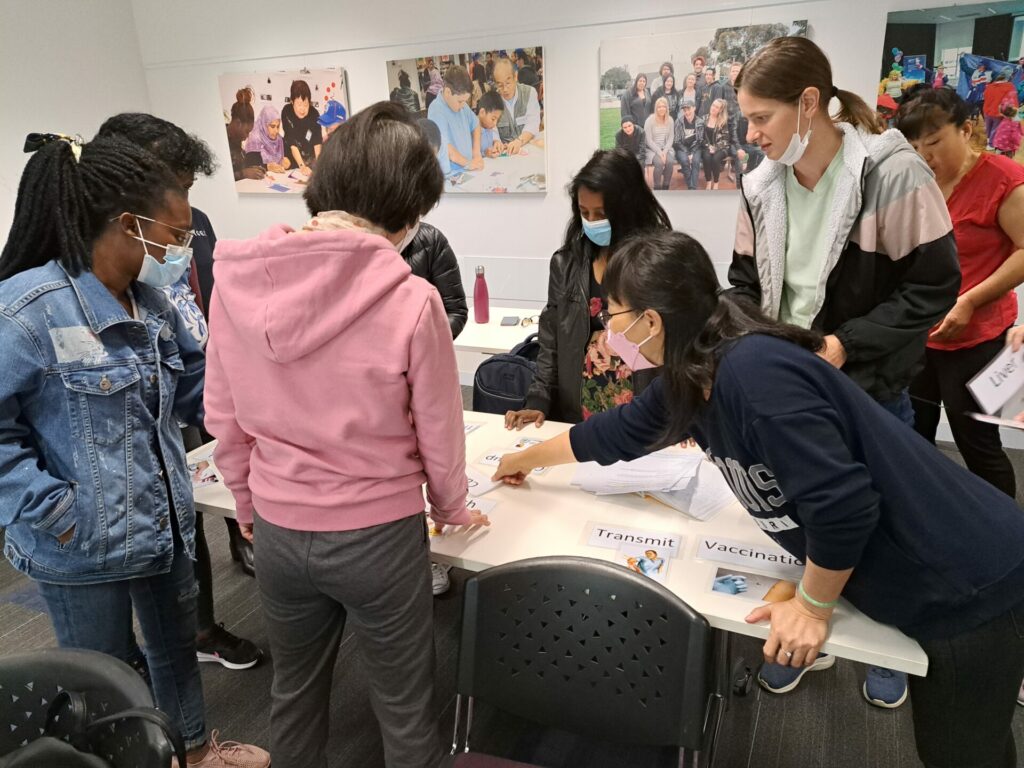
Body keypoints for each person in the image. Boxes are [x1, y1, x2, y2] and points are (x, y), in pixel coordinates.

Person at [492, 229, 1024, 768]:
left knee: (960, 751)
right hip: (932, 568)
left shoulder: (754, 374)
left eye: (614, 316)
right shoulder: (689, 370)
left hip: (968, 582)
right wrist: (522, 459)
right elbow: (617, 434)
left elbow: (844, 506)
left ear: (651, 321)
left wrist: (813, 607)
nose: (608, 331)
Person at [203, 102, 490, 768]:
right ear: (409, 209)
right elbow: (441, 434)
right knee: (405, 712)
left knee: (294, 696)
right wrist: (450, 510)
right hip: (379, 539)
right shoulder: (412, 300)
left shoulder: (234, 284)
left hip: (277, 528)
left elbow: (225, 416)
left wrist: (247, 506)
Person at [0, 134, 270, 768]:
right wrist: (54, 510)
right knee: (100, 676)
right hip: (77, 544)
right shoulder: (29, 312)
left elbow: (202, 391)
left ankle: (195, 751)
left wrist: (276, 420)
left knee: (176, 650)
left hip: (161, 524)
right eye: (174, 238)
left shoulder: (153, 304)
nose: (181, 251)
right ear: (128, 225)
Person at [730, 35, 960, 708]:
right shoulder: (760, 187)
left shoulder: (891, 172)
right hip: (792, 381)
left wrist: (845, 344)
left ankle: (891, 644)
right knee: (810, 514)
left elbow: (932, 287)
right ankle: (808, 630)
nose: (752, 135)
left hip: (867, 385)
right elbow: (742, 284)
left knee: (887, 522)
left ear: (809, 105)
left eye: (761, 118)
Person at [95, 113, 262, 668]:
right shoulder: (62, 277)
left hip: (191, 381)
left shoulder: (198, 226)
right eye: (175, 187)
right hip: (119, 423)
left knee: (187, 512)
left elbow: (211, 296)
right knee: (111, 635)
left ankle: (201, 625)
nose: (183, 208)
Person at [894, 87, 1024, 499]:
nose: (925, 155)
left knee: (978, 445)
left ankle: (1007, 539)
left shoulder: (1003, 179)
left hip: (980, 339)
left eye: (933, 142)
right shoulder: (916, 182)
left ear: (966, 129)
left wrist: (968, 301)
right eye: (915, 146)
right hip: (921, 334)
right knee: (912, 436)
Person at [504, 148, 670, 429]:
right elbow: (551, 341)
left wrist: (684, 412)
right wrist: (538, 400)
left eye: (601, 214)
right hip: (578, 409)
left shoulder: (659, 262)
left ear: (627, 209)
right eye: (584, 213)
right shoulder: (566, 263)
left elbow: (679, 344)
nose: (592, 222)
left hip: (646, 411)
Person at [427, 64, 483, 174]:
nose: (463, 105)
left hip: (469, 168)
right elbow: (445, 147)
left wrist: (476, 153)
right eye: (460, 101)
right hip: (451, 174)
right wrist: (468, 163)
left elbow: (476, 125)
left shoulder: (462, 106)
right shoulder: (436, 110)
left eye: (465, 101)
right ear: (448, 92)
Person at [493, 58, 542, 154]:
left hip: (528, 148)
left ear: (515, 76)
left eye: (507, 83)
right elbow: (492, 129)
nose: (505, 89)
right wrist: (496, 142)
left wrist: (519, 141)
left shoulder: (529, 93)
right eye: (500, 85)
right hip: (507, 154)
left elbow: (533, 123)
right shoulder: (493, 101)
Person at [280, 79, 323, 176]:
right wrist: (302, 166)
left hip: (310, 154)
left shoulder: (314, 114)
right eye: (299, 104)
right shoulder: (286, 112)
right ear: (292, 102)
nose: (302, 109)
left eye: (306, 105)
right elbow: (291, 142)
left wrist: (320, 165)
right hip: (294, 153)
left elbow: (317, 143)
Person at [225, 87, 265, 181]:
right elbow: (220, 178)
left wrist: (252, 169)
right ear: (238, 123)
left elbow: (237, 167)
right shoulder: (220, 140)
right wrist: (244, 173)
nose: (247, 136)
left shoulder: (236, 140)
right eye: (247, 131)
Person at [243, 104, 290, 173]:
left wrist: (288, 162)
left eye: (278, 126)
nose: (276, 131)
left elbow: (290, 158)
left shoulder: (279, 140)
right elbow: (250, 165)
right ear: (264, 124)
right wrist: (267, 167)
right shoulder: (255, 139)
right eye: (272, 126)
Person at [700, 98, 734, 189]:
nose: (713, 108)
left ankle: (716, 182)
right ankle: (708, 181)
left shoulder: (723, 121)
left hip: (721, 147)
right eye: (713, 105)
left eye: (717, 107)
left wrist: (715, 148)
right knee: (706, 157)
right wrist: (708, 146)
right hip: (707, 146)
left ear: (720, 110)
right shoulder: (703, 119)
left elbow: (726, 140)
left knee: (715, 159)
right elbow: (700, 137)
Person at [644, 96, 675, 190]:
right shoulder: (650, 120)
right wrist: (659, 152)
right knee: (659, 163)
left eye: (664, 106)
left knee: (670, 162)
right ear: (656, 108)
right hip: (652, 149)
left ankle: (666, 186)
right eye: (659, 107)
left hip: (665, 148)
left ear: (667, 108)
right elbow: (648, 140)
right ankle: (657, 187)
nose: (662, 109)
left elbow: (671, 137)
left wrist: (664, 151)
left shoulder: (670, 120)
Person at [983, 70, 1019, 149]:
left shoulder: (989, 86)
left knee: (988, 126)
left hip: (987, 110)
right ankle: (991, 144)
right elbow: (1012, 99)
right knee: (995, 129)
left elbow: (984, 96)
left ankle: (989, 140)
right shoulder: (1009, 86)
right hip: (998, 112)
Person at [673, 98, 703, 190]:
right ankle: (692, 186)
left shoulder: (700, 122)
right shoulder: (679, 122)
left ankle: (692, 187)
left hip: (696, 148)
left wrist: (692, 152)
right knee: (685, 161)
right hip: (682, 148)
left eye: (688, 109)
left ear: (694, 108)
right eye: (684, 110)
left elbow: (700, 140)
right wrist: (687, 152)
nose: (686, 112)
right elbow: (677, 141)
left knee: (696, 162)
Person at [476, 88, 505, 157]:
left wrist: (497, 143)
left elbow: (494, 140)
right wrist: (485, 153)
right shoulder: (472, 129)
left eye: (497, 120)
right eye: (493, 119)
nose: (495, 123)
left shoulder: (489, 126)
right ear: (482, 112)